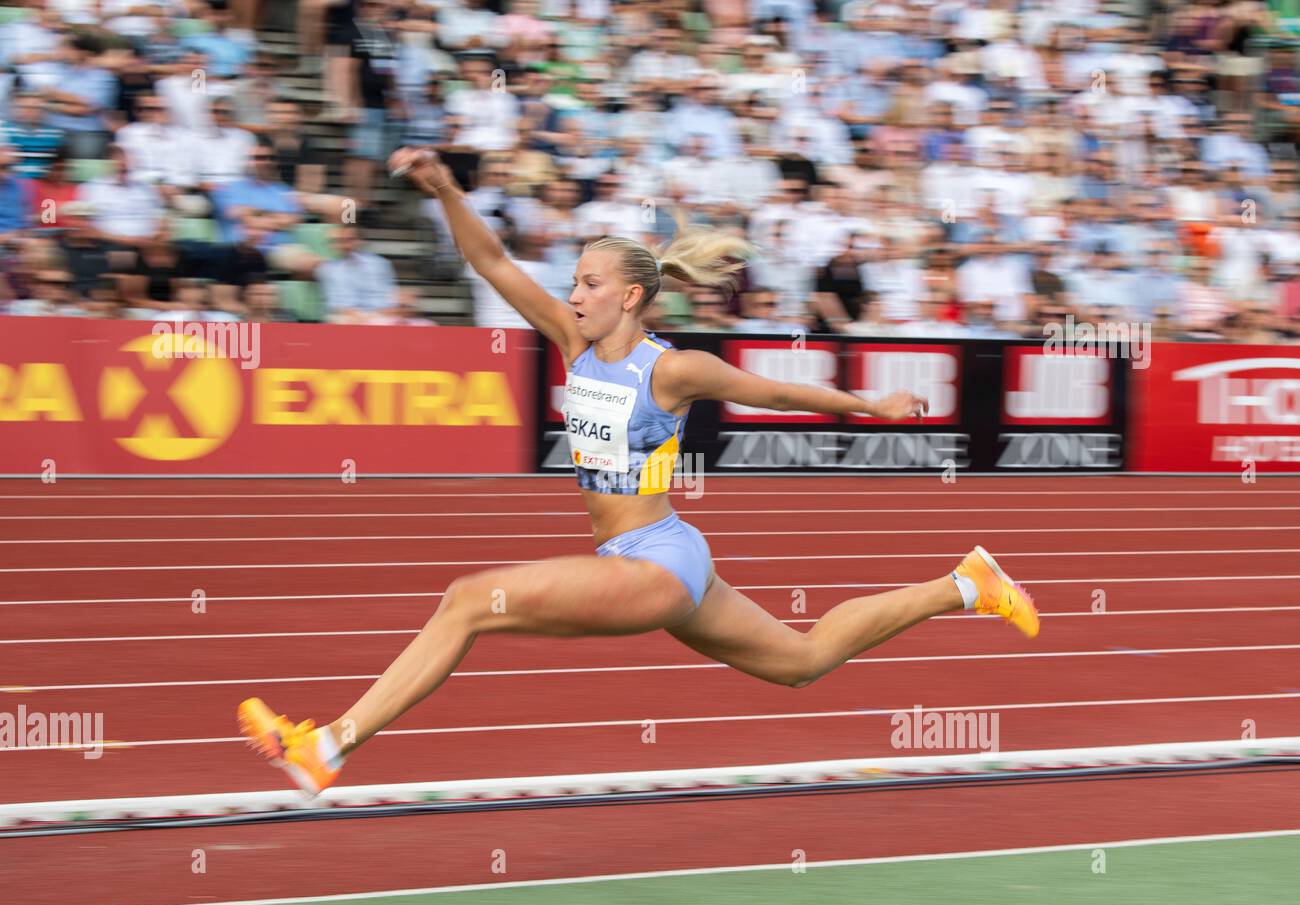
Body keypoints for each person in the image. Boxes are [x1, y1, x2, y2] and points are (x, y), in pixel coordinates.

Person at [237, 145, 1040, 795]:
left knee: (468, 599)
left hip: (660, 557)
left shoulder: (673, 369)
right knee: (802, 660)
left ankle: (332, 745)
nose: (572, 292)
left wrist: (869, 407)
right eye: (574, 280)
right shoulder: (569, 338)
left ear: (627, 296)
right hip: (647, 557)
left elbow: (775, 391)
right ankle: (967, 583)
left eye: (587, 282)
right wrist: (445, 187)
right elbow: (489, 260)